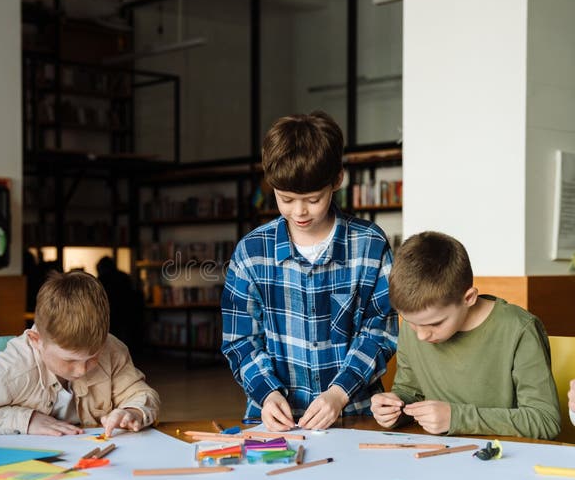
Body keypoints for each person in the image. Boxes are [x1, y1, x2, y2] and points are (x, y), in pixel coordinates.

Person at [221, 111, 398, 431]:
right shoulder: (251, 252)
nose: (299, 211)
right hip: (275, 422)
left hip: (354, 414)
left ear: (338, 180)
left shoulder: (370, 244)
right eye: (286, 199)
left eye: (313, 199)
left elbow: (380, 332)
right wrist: (267, 393)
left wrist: (339, 392)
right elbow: (241, 340)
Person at [371, 231, 561, 439]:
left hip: (504, 458)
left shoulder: (519, 329)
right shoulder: (414, 327)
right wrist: (394, 408)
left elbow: (545, 421)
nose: (422, 335)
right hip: (438, 456)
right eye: (410, 322)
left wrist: (457, 418)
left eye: (435, 323)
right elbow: (410, 391)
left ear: (469, 298)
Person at [0, 270, 159, 437]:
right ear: (35, 340)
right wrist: (24, 420)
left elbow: (142, 395)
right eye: (69, 359)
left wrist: (132, 411)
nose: (81, 370)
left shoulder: (112, 350)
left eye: (93, 357)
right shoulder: (13, 368)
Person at [96, 255, 145, 361]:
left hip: (110, 314)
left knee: (111, 340)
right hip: (128, 312)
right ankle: (126, 360)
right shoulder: (124, 276)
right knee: (125, 339)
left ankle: (113, 361)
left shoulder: (101, 280)